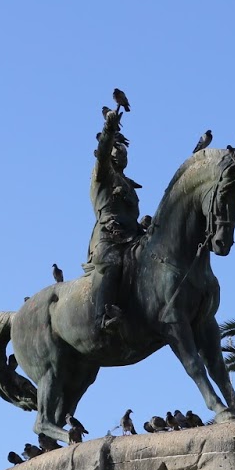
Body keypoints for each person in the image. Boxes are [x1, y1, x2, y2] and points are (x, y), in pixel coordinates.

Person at [80, 103, 143, 333]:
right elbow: (104, 151)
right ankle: (102, 317)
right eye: (118, 150)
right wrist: (108, 130)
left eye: (125, 151)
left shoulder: (128, 184)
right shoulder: (102, 175)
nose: (122, 153)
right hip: (108, 237)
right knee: (113, 263)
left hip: (133, 236)